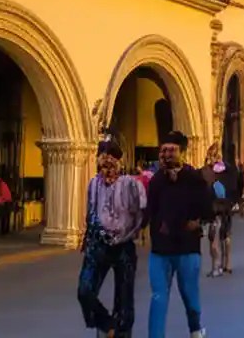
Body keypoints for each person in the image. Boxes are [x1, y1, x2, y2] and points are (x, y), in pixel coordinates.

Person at [145, 131, 211, 338]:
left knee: (190, 297)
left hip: (187, 249)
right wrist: (152, 227)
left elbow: (207, 209)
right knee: (158, 297)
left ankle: (195, 328)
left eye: (171, 150)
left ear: (182, 152)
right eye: (163, 150)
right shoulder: (156, 181)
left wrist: (197, 221)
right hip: (160, 250)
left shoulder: (194, 178)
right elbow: (150, 211)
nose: (166, 155)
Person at [77, 140, 145, 338]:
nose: (106, 168)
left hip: (124, 245)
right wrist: (87, 237)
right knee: (85, 291)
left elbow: (140, 213)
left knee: (124, 301)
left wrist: (134, 233)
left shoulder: (131, 185)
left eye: (111, 162)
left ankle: (121, 331)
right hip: (98, 244)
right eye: (103, 163)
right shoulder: (93, 184)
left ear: (119, 162)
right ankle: (107, 325)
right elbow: (91, 211)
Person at [200, 143, 239, 278]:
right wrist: (235, 202)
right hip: (226, 206)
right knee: (226, 235)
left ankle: (215, 266)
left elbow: (200, 190)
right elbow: (234, 187)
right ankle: (227, 263)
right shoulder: (229, 169)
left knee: (213, 237)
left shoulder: (205, 171)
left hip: (211, 207)